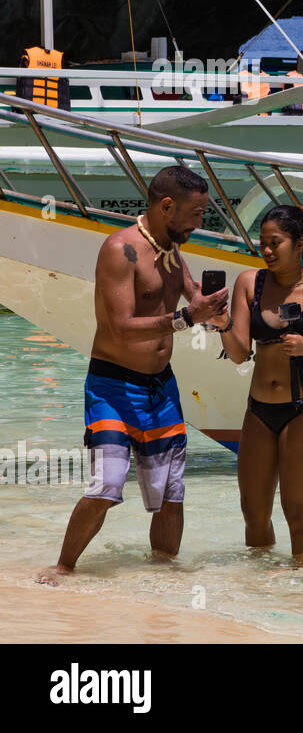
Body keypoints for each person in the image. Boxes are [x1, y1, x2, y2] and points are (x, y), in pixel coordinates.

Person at [39, 166, 229, 583]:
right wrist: (185, 318)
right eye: (196, 213)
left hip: (161, 387)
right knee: (106, 486)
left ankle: (162, 577)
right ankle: (63, 567)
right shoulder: (119, 249)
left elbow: (191, 296)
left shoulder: (170, 250)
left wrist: (213, 309)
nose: (200, 222)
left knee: (170, 495)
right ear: (167, 207)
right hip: (113, 385)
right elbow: (120, 328)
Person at [213, 205, 303, 562]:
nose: (266, 251)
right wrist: (221, 323)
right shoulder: (250, 282)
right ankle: (260, 589)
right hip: (259, 410)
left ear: (300, 243)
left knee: (297, 512)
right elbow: (239, 353)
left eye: (275, 243)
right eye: (262, 243)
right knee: (254, 512)